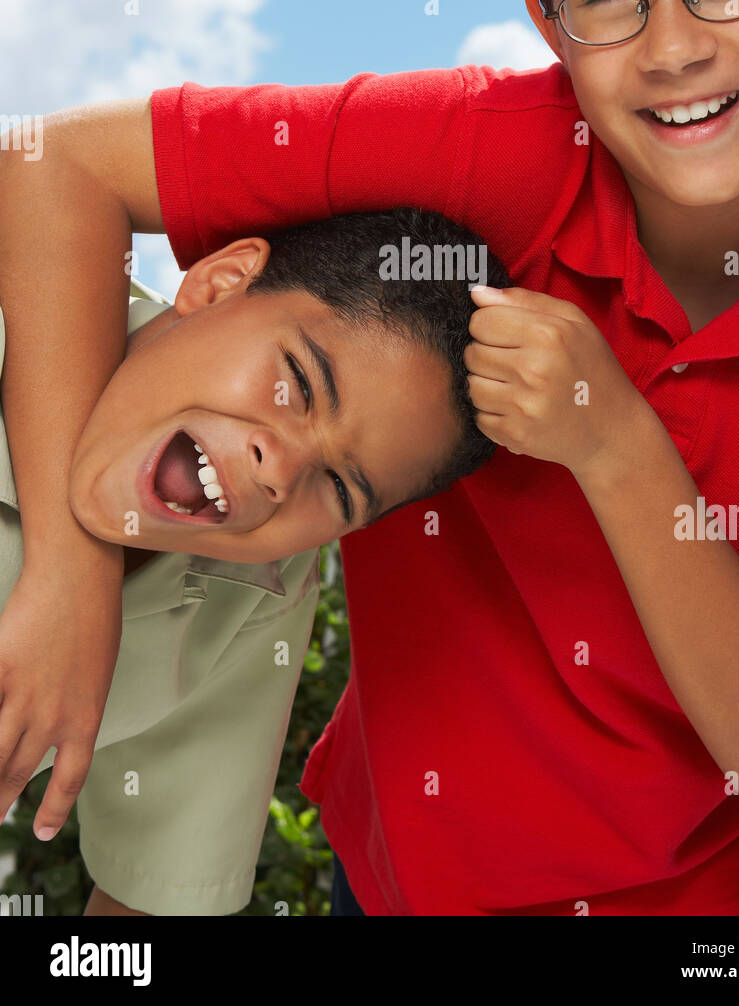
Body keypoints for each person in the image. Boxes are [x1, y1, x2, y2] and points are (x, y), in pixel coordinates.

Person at [1, 0, 739, 916]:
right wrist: (71, 581)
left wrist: (613, 445)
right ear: (546, 21)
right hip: (395, 887)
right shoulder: (484, 150)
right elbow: (53, 163)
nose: (671, 47)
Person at [0, 206, 508, 914]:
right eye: (299, 382)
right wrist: (64, 576)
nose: (282, 473)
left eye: (339, 487)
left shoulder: (260, 593)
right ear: (218, 283)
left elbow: (154, 895)